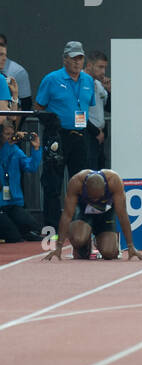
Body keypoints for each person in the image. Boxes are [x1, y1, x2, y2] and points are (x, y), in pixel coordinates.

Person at [34, 42, 96, 231]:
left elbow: (87, 106)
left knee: (83, 182)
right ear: (65, 59)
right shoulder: (51, 79)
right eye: (73, 58)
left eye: (80, 58)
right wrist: (51, 123)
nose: (77, 62)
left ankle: (83, 226)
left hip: (80, 136)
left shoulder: (88, 81)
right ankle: (52, 229)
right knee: (53, 183)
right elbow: (38, 107)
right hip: (57, 136)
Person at [43, 167, 142, 261]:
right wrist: (59, 247)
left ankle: (98, 239)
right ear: (85, 188)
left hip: (106, 214)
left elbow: (122, 215)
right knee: (79, 242)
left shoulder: (114, 181)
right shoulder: (76, 182)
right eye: (91, 198)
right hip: (84, 213)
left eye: (99, 198)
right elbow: (67, 215)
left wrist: (130, 246)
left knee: (109, 253)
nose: (95, 201)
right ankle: (84, 242)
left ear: (105, 186)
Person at [0, 119, 42, 242]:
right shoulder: (8, 149)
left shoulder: (16, 151)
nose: (10, 137)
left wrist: (36, 149)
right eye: (7, 134)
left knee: (34, 226)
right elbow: (3, 156)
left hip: (13, 203)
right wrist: (11, 143)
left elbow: (31, 167)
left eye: (12, 134)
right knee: (14, 237)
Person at [0, 37, 32, 111]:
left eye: (5, 55)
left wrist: (15, 95)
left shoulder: (4, 78)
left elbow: (12, 116)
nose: (4, 58)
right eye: (0, 54)